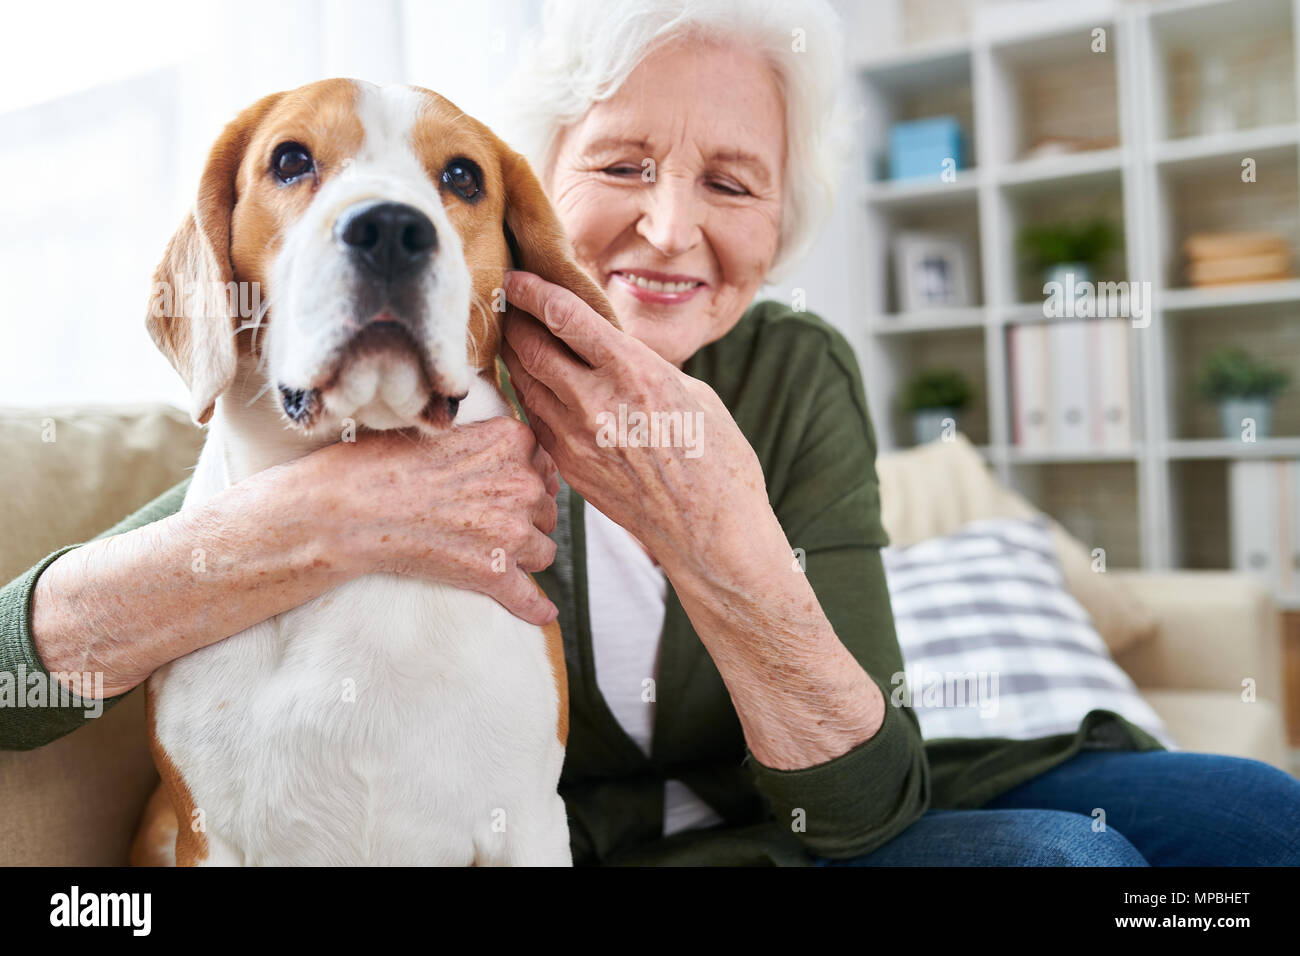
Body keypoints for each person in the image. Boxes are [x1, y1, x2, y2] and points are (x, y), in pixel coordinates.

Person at [4, 0, 1298, 866]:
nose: (673, 229)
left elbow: (854, 809)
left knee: (1262, 825)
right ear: (533, 195)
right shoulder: (416, 386)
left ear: (777, 224)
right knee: (1074, 864)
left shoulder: (789, 376)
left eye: (731, 183)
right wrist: (323, 519)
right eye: (624, 164)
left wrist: (722, 537)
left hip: (800, 828)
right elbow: (15, 674)